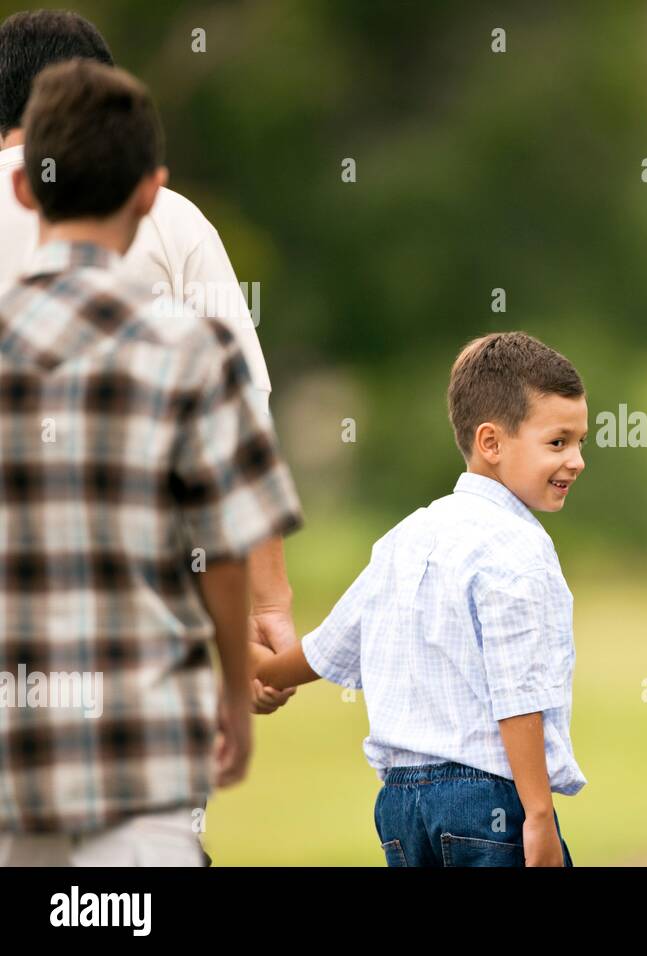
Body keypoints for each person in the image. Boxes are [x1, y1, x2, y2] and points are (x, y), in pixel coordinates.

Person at [0, 60, 302, 865]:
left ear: (26, 191)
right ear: (149, 192)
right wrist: (234, 684)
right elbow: (229, 542)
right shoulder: (192, 351)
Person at [253, 331, 587, 867]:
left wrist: (265, 671)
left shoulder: (405, 537)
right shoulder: (519, 547)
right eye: (558, 442)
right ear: (492, 443)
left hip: (400, 810)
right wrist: (540, 816)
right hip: (491, 803)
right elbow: (517, 692)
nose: (576, 461)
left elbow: (331, 646)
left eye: (579, 443)